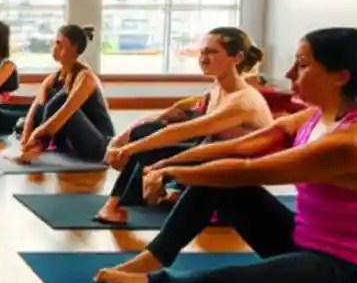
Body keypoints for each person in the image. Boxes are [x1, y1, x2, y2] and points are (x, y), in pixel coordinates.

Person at [95, 28, 357, 283]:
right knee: (213, 175)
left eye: (302, 65)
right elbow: (239, 147)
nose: (288, 73)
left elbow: (247, 170)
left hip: (352, 273)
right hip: (301, 240)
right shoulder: (315, 117)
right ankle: (151, 260)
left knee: (233, 281)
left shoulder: (353, 143)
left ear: (341, 76)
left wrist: (172, 174)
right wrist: (166, 163)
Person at [94, 27, 274, 225]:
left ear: (237, 58)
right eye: (202, 52)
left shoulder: (242, 100)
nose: (203, 58)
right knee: (146, 133)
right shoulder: (216, 88)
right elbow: (178, 118)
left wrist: (127, 149)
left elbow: (185, 131)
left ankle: (120, 203)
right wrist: (123, 141)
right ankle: (144, 196)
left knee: (149, 145)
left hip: (239, 169)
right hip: (212, 154)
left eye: (212, 52)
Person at [14, 24, 114, 163]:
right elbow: (34, 111)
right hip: (71, 146)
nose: (54, 47)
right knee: (41, 106)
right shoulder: (52, 79)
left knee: (60, 100)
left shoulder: (86, 77)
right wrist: (25, 142)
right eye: (55, 43)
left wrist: (38, 140)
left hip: (98, 146)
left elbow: (66, 111)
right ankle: (34, 147)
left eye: (59, 44)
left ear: (74, 48)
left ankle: (38, 148)